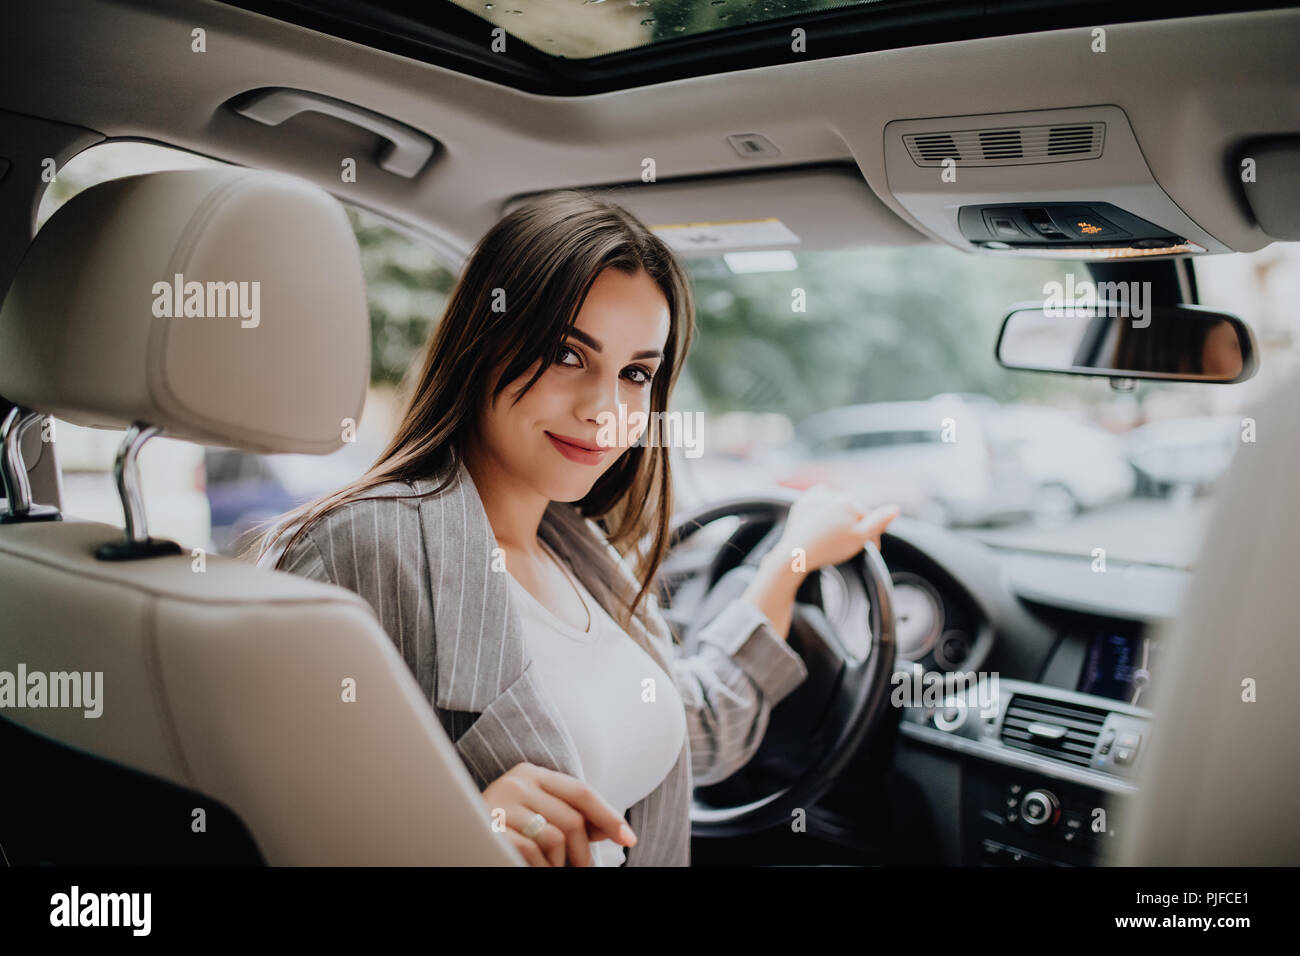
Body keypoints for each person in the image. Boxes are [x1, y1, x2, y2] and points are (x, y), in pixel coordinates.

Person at [247, 190, 899, 866]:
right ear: (484, 342)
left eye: (636, 373)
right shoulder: (360, 551)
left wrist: (790, 561)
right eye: (566, 354)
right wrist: (462, 835)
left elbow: (696, 731)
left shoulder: (582, 553)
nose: (605, 409)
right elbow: (273, 827)